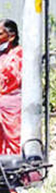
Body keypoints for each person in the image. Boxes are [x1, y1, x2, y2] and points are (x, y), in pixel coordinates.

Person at [0, 20, 20, 155]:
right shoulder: (2, 54)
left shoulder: (19, 54)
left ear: (11, 36)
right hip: (2, 105)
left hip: (13, 108)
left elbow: (12, 79)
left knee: (15, 139)